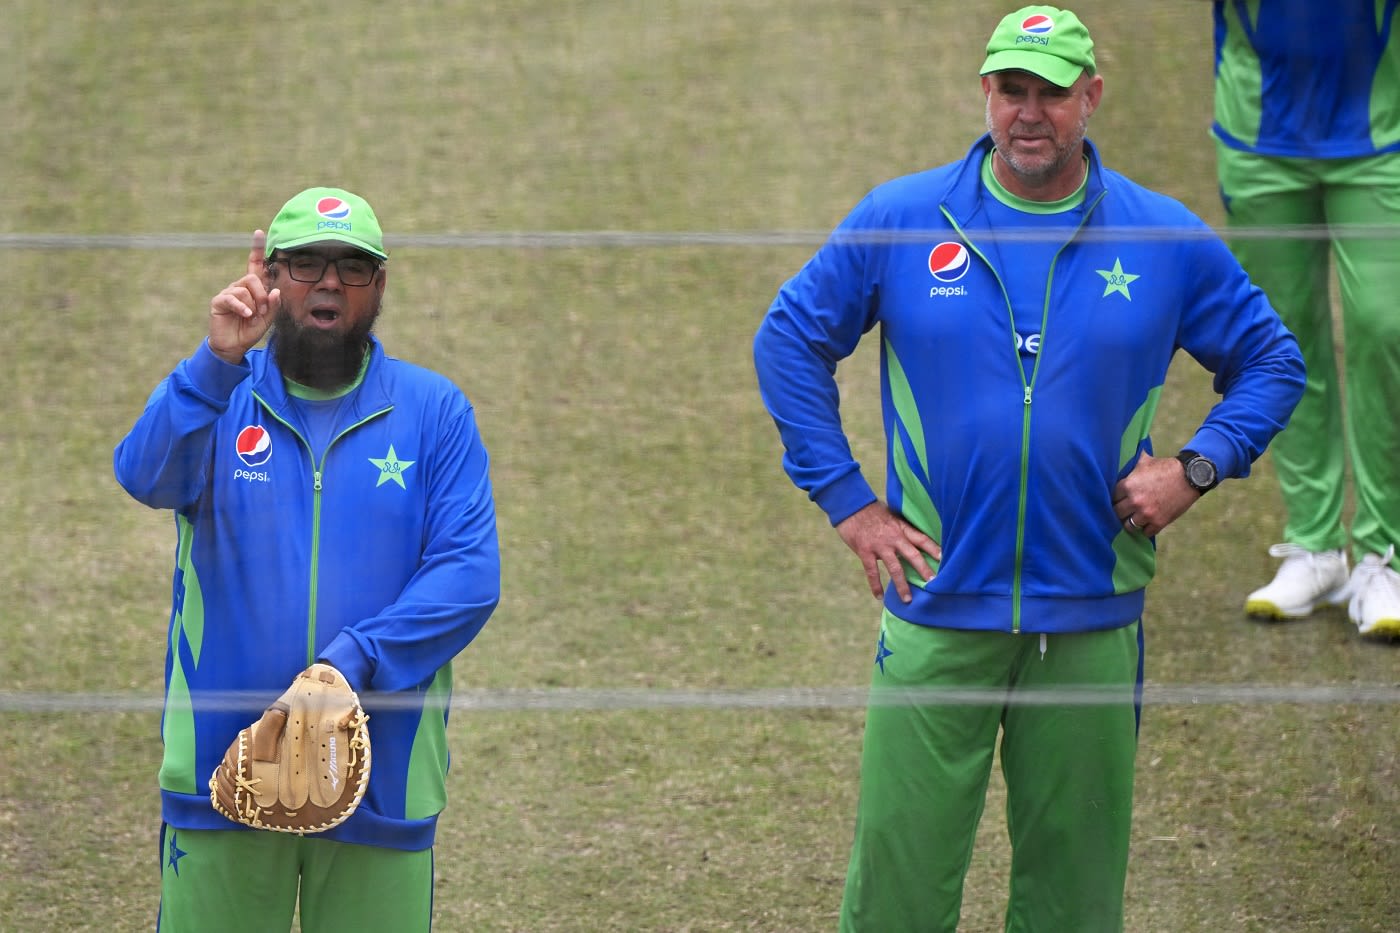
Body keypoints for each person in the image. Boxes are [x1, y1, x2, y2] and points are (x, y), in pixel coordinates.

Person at [752, 7, 1305, 931]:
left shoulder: (1161, 237)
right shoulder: (900, 218)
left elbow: (1273, 362)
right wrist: (849, 503)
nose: (1030, 112)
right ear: (986, 95)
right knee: (896, 894)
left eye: (1053, 91)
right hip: (936, 611)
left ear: (1092, 96)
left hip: (1090, 619)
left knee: (1073, 902)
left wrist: (1197, 468)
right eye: (1013, 90)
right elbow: (788, 341)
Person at [114, 186, 501, 932]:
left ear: (378, 287)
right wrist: (215, 362)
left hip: (380, 780)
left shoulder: (434, 411)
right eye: (307, 263)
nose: (329, 282)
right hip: (220, 777)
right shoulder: (217, 397)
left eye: (353, 267)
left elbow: (468, 576)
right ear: (271, 276)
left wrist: (352, 663)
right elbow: (144, 474)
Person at [1212, 0, 1400, 638]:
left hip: (1382, 131)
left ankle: (1385, 553)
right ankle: (1316, 546)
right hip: (1259, 135)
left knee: (1386, 327)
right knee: (1281, 340)